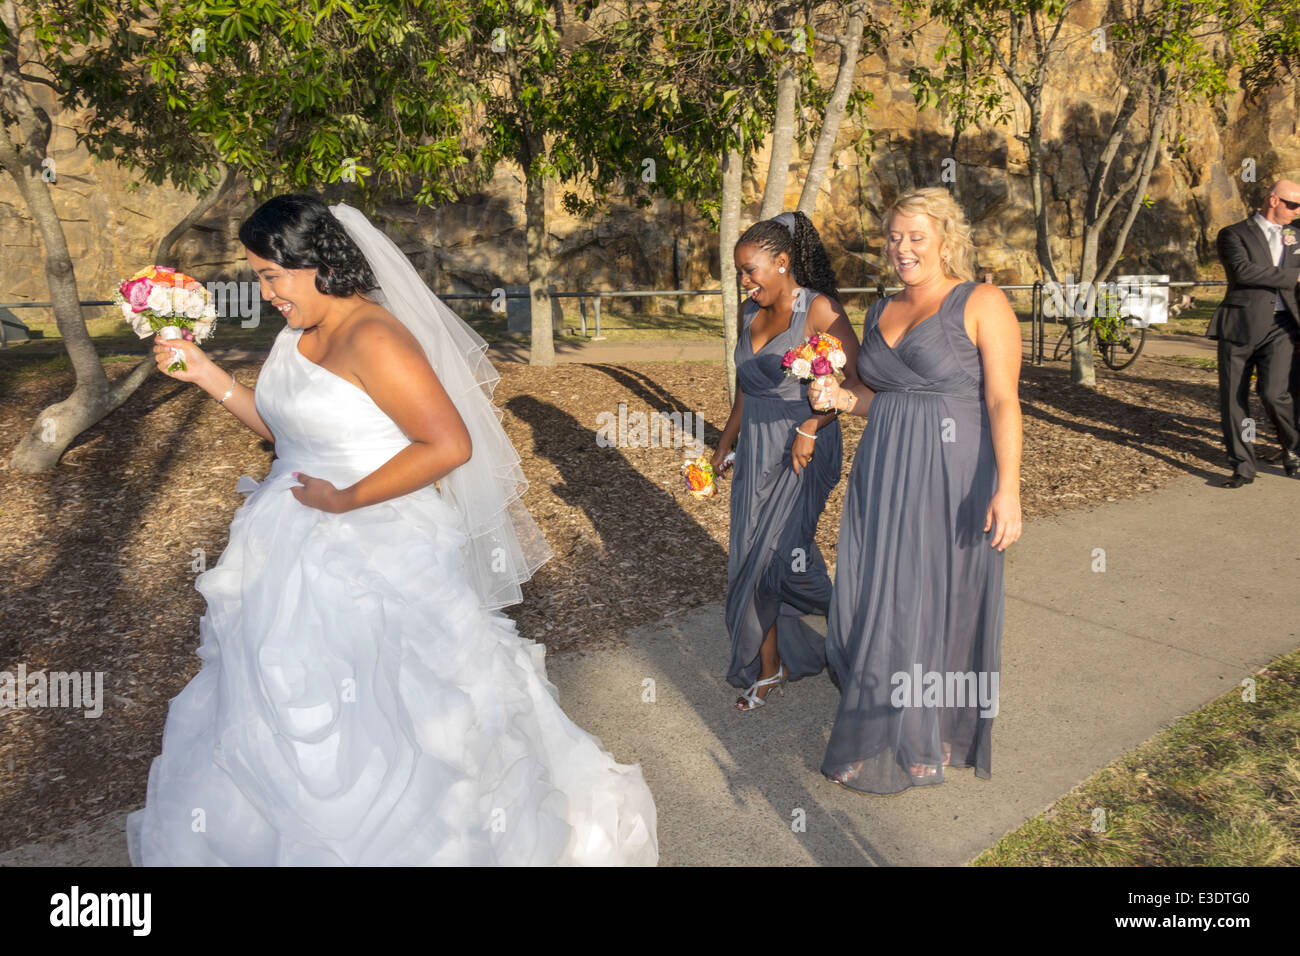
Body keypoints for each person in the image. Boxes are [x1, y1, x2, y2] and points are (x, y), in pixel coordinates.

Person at [126, 194, 658, 865]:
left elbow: (446, 444)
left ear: (314, 264)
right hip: (283, 545)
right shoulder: (297, 333)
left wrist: (347, 499)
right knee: (281, 700)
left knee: (393, 708)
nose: (265, 294)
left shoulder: (373, 336)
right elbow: (282, 429)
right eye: (260, 277)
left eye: (270, 276)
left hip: (373, 542)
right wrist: (203, 374)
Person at [810, 187, 1022, 793]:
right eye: (895, 237)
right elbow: (882, 398)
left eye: (916, 237)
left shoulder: (980, 301)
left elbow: (1004, 399)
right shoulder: (879, 310)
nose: (902, 248)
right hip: (884, 471)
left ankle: (918, 737)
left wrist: (1009, 489)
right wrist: (842, 398)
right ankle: (880, 720)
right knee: (874, 593)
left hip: (954, 473)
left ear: (945, 239)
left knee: (931, 599)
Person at [712, 211, 860, 711]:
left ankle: (862, 630)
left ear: (781, 262)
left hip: (804, 447)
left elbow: (856, 385)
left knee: (785, 560)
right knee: (751, 561)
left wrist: (811, 424)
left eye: (751, 269)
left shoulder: (818, 310)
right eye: (739, 271)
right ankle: (770, 668)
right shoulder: (748, 311)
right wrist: (724, 442)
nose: (745, 280)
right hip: (755, 446)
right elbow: (745, 388)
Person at [1206, 178, 1300, 486]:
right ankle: (1243, 467)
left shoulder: (1296, 235)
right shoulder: (1233, 234)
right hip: (1240, 325)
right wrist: (1294, 276)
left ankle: (1293, 448)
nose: (1297, 212)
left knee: (1275, 395)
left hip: (1282, 327)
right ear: (1273, 201)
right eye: (1293, 205)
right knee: (1234, 399)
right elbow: (1243, 271)